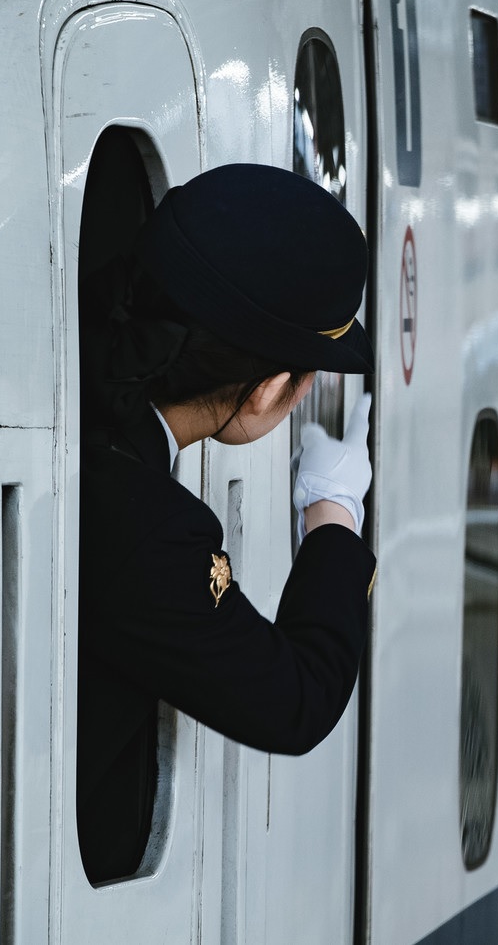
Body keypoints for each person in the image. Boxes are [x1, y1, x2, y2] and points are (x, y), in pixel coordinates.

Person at [75, 164, 376, 884]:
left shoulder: (88, 407)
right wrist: (334, 520)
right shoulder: (150, 528)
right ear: (272, 388)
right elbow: (295, 701)